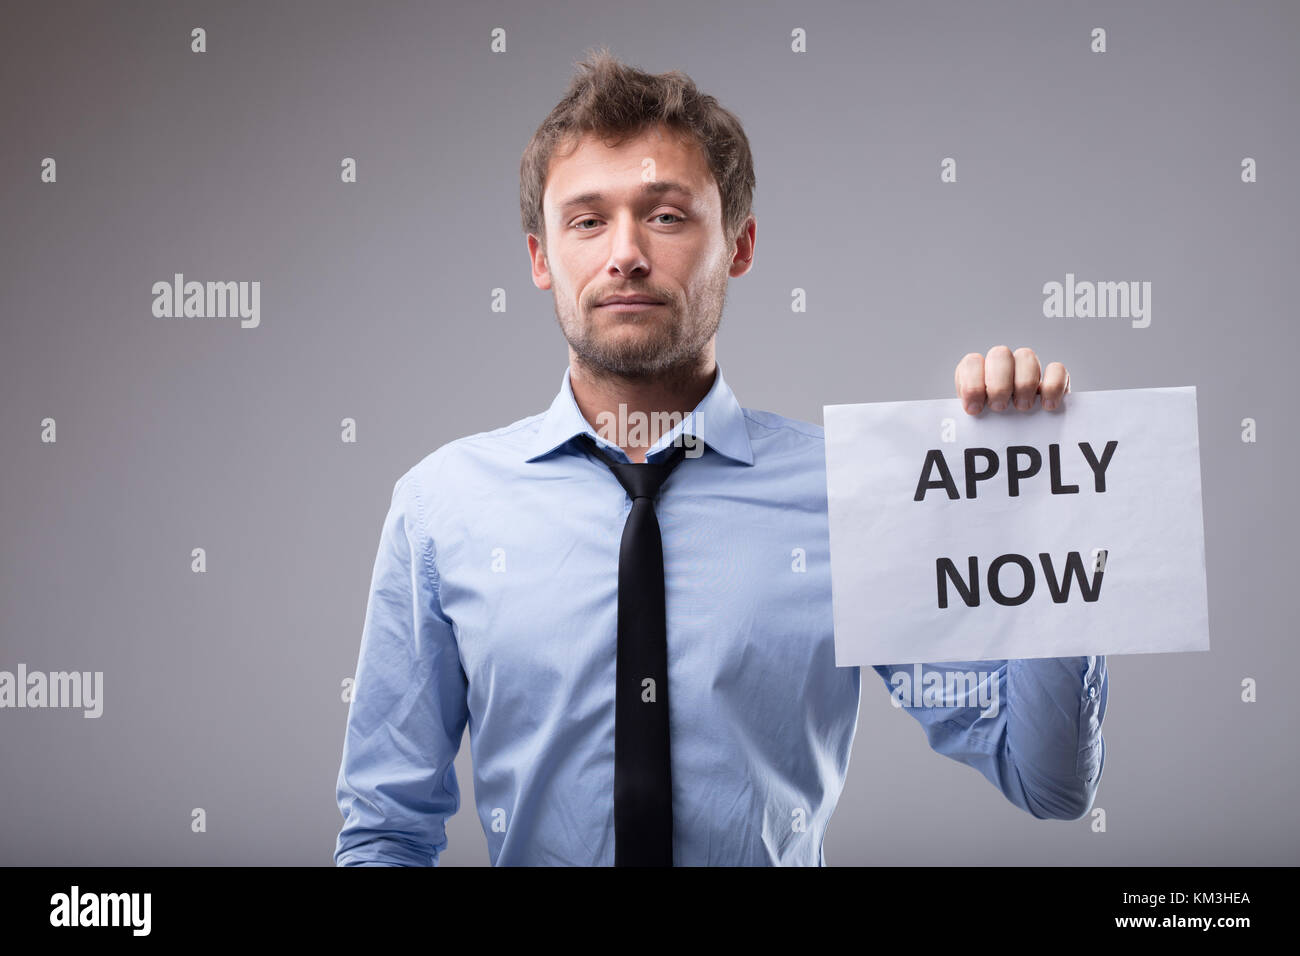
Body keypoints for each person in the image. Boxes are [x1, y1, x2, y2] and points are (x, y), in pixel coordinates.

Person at [333, 48, 1107, 866]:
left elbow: (1049, 781)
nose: (624, 252)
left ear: (738, 245)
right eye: (587, 220)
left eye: (666, 215)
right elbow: (385, 831)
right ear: (539, 258)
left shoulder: (852, 499)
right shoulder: (440, 509)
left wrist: (1043, 511)